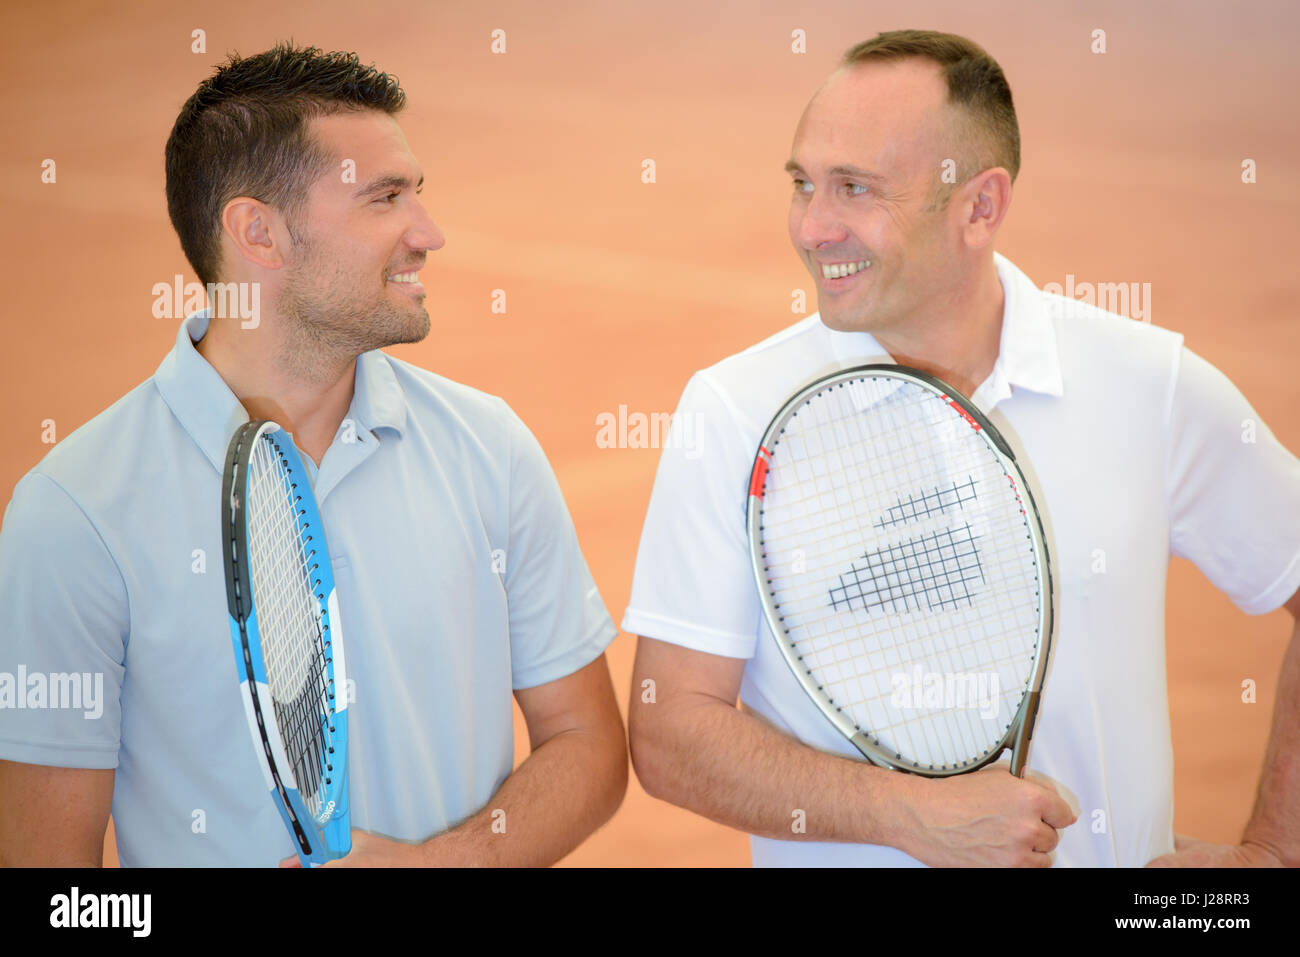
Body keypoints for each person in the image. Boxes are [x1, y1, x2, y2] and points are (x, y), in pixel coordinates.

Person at [622, 29, 1300, 867]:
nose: (813, 226)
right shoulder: (732, 410)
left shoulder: (1146, 383)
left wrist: (1273, 849)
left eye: (855, 189)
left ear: (980, 206)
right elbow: (669, 730)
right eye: (802, 183)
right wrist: (908, 815)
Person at [0, 43, 626, 867]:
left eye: (418, 194)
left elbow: (587, 744)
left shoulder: (490, 445)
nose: (428, 233)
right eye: (385, 199)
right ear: (259, 232)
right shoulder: (74, 515)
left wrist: (454, 862)